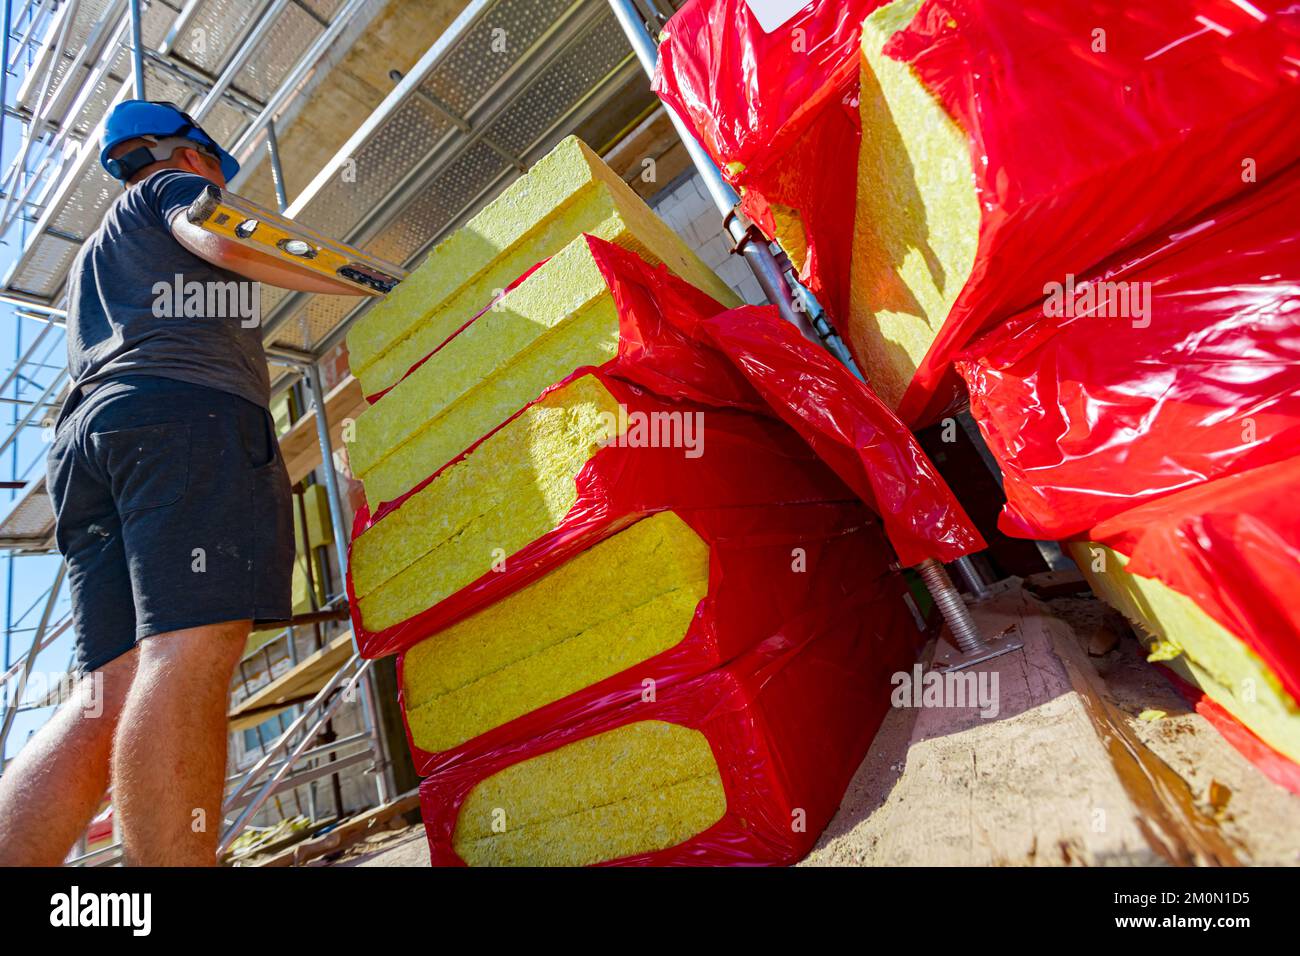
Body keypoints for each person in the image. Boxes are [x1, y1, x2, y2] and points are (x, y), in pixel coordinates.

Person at [0, 100, 371, 866]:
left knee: (109, 689)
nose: (218, 180)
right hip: (183, 419)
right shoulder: (165, 186)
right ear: (187, 153)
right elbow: (219, 238)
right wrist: (361, 278)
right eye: (216, 166)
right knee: (190, 648)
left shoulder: (93, 260)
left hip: (90, 446)